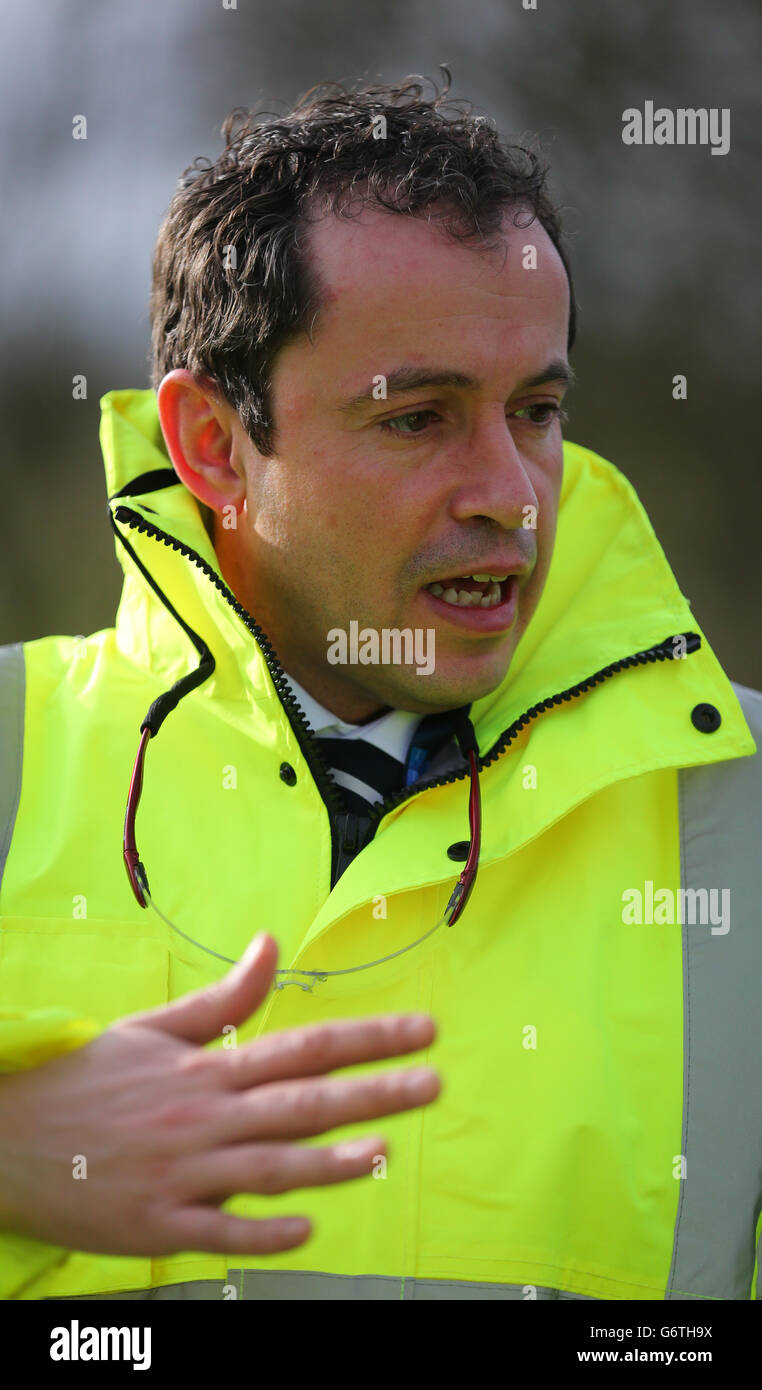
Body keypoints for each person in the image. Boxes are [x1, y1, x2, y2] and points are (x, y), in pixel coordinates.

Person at [0, 73, 759, 1302]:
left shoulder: (744, 807)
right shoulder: (6, 752)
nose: (509, 493)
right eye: (418, 418)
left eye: (538, 411)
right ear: (215, 445)